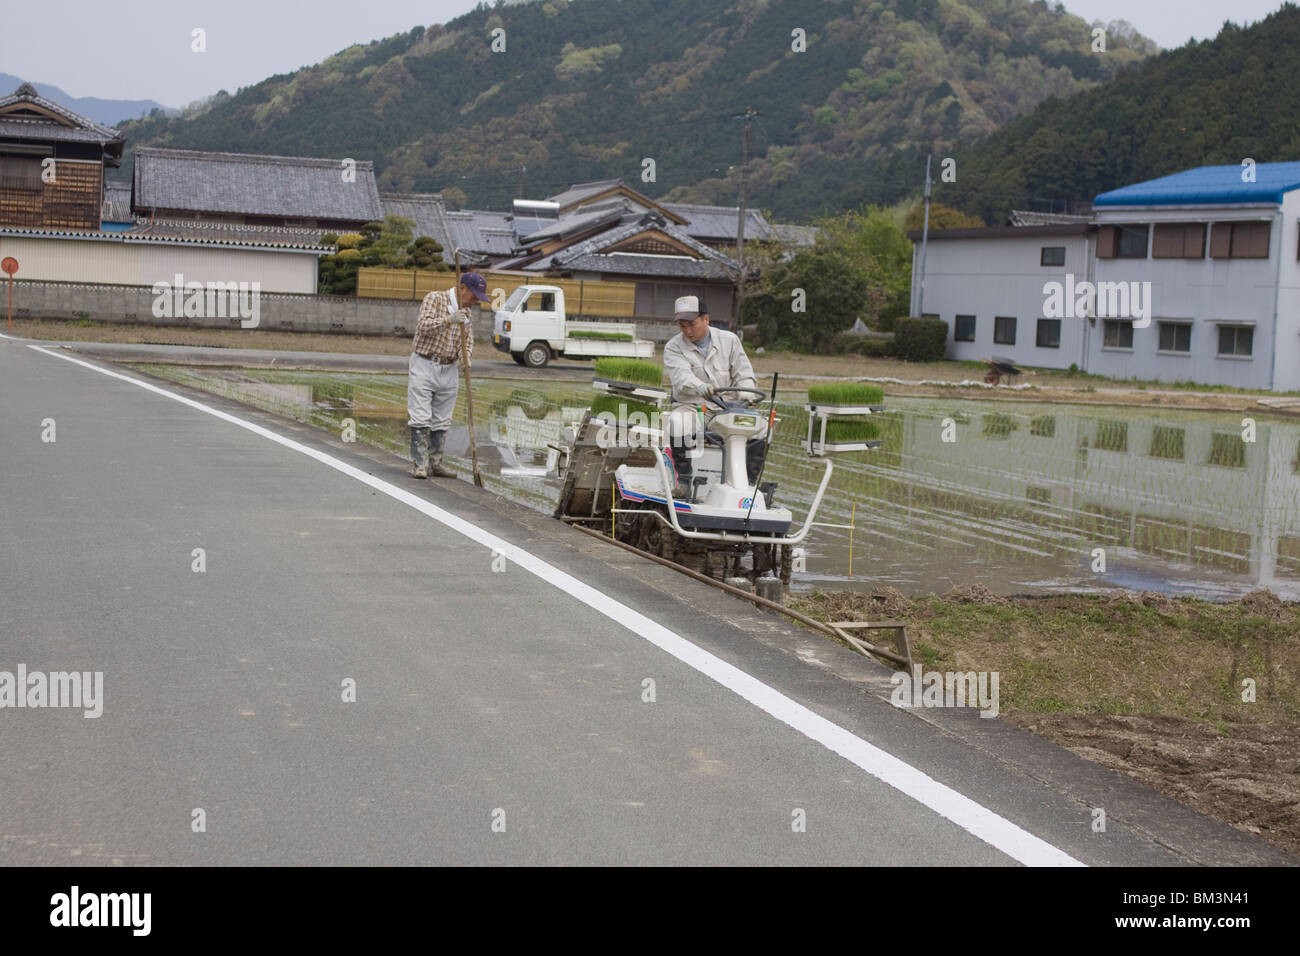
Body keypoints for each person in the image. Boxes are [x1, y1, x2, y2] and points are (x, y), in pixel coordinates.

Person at [661, 295, 764, 500]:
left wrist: (746, 396)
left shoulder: (730, 341)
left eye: (692, 324)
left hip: (727, 408)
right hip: (692, 406)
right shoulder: (673, 347)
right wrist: (700, 387)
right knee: (678, 422)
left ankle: (750, 486)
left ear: (706, 319)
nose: (688, 331)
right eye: (682, 326)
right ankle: (684, 481)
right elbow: (681, 378)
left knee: (762, 428)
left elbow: (744, 374)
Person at [407, 271, 490, 478]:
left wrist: (466, 357)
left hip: (449, 368)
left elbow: (467, 341)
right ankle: (419, 464)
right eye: (473, 297)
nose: (473, 303)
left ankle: (436, 463)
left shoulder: (467, 314)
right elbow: (423, 326)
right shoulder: (434, 299)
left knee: (442, 418)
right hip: (425, 363)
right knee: (421, 417)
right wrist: (449, 320)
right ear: (463, 288)